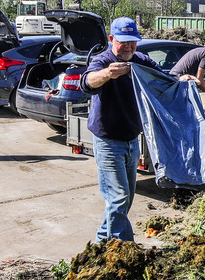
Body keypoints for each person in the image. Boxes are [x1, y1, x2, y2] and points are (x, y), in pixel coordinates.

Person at [82, 16, 196, 242]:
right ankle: (124, 248)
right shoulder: (103, 61)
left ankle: (100, 243)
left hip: (131, 141)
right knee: (118, 198)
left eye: (132, 41)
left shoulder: (140, 60)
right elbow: (87, 82)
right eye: (123, 41)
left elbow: (163, 78)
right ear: (112, 39)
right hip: (108, 142)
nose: (129, 46)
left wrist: (180, 79)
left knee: (126, 199)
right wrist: (107, 74)